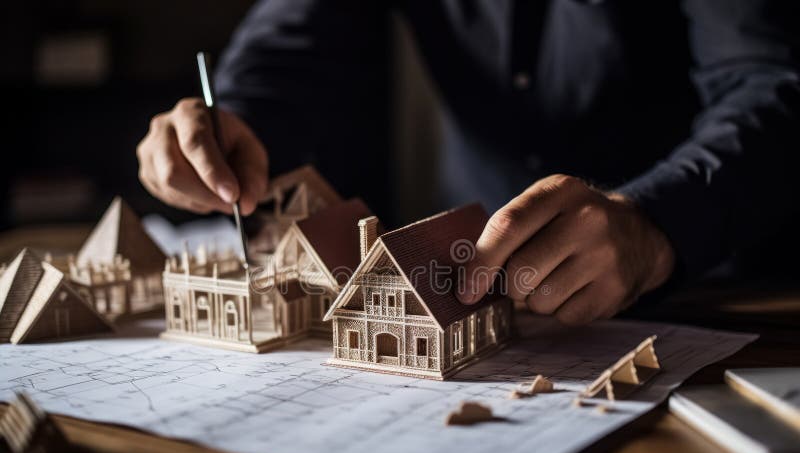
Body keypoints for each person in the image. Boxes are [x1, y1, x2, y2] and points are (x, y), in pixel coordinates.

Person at [136, 0, 800, 325]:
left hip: (721, 285)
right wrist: (234, 118)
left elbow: (770, 82)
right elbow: (295, 34)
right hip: (473, 284)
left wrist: (657, 224)